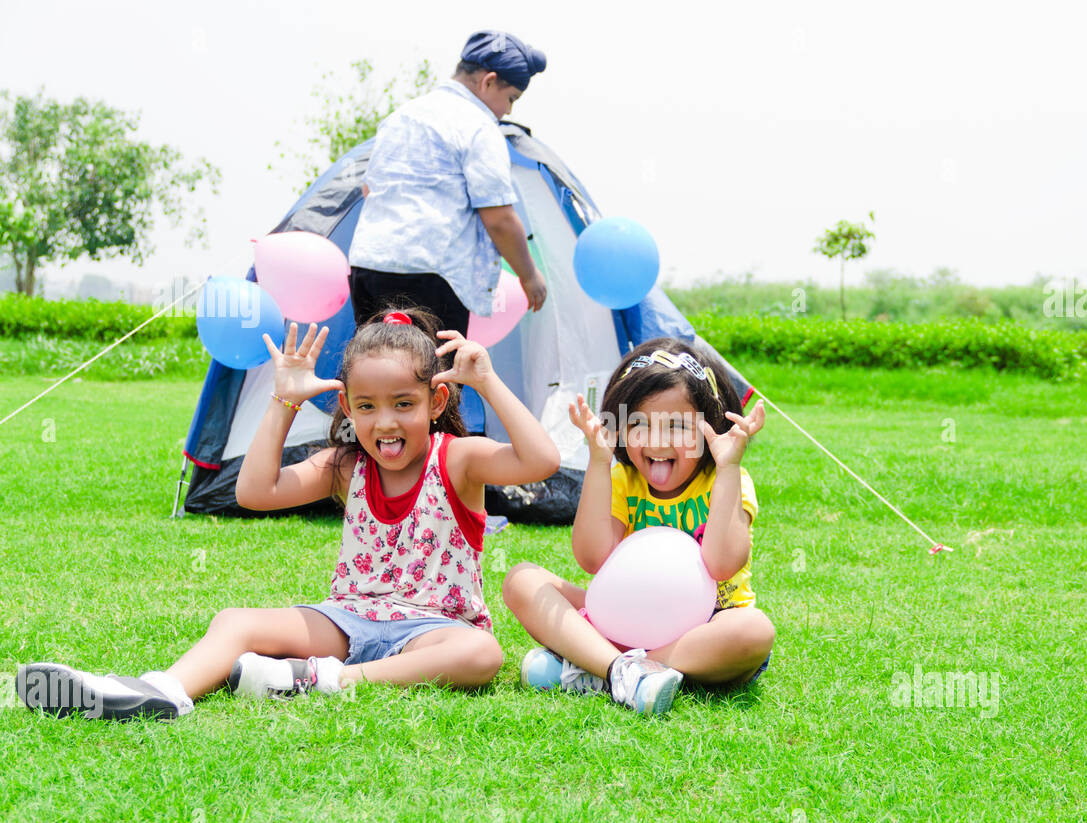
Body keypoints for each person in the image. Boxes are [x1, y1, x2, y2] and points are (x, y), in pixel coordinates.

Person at [15, 309, 560, 720]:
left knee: (481, 652)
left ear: (435, 404)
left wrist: (485, 379)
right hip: (347, 621)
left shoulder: (457, 459)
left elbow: (543, 460)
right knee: (237, 621)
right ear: (347, 409)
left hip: (433, 631)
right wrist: (283, 402)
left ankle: (322, 681)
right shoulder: (346, 466)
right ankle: (161, 691)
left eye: (404, 404)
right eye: (366, 407)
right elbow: (255, 492)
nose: (385, 423)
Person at [502, 338, 776, 716]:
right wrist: (598, 463)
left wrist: (727, 469)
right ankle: (623, 671)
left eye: (678, 426)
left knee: (755, 630)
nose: (656, 440)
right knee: (522, 580)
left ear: (709, 428)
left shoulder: (728, 478)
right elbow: (592, 558)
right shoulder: (621, 479)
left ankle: (601, 669)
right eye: (638, 424)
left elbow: (723, 565)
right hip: (621, 622)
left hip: (702, 636)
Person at [347, 30, 549, 342]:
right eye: (511, 99)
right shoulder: (478, 126)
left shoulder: (403, 115)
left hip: (369, 267)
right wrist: (529, 276)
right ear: (488, 82)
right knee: (435, 380)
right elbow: (498, 218)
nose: (508, 111)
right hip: (430, 276)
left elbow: (368, 190)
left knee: (376, 373)